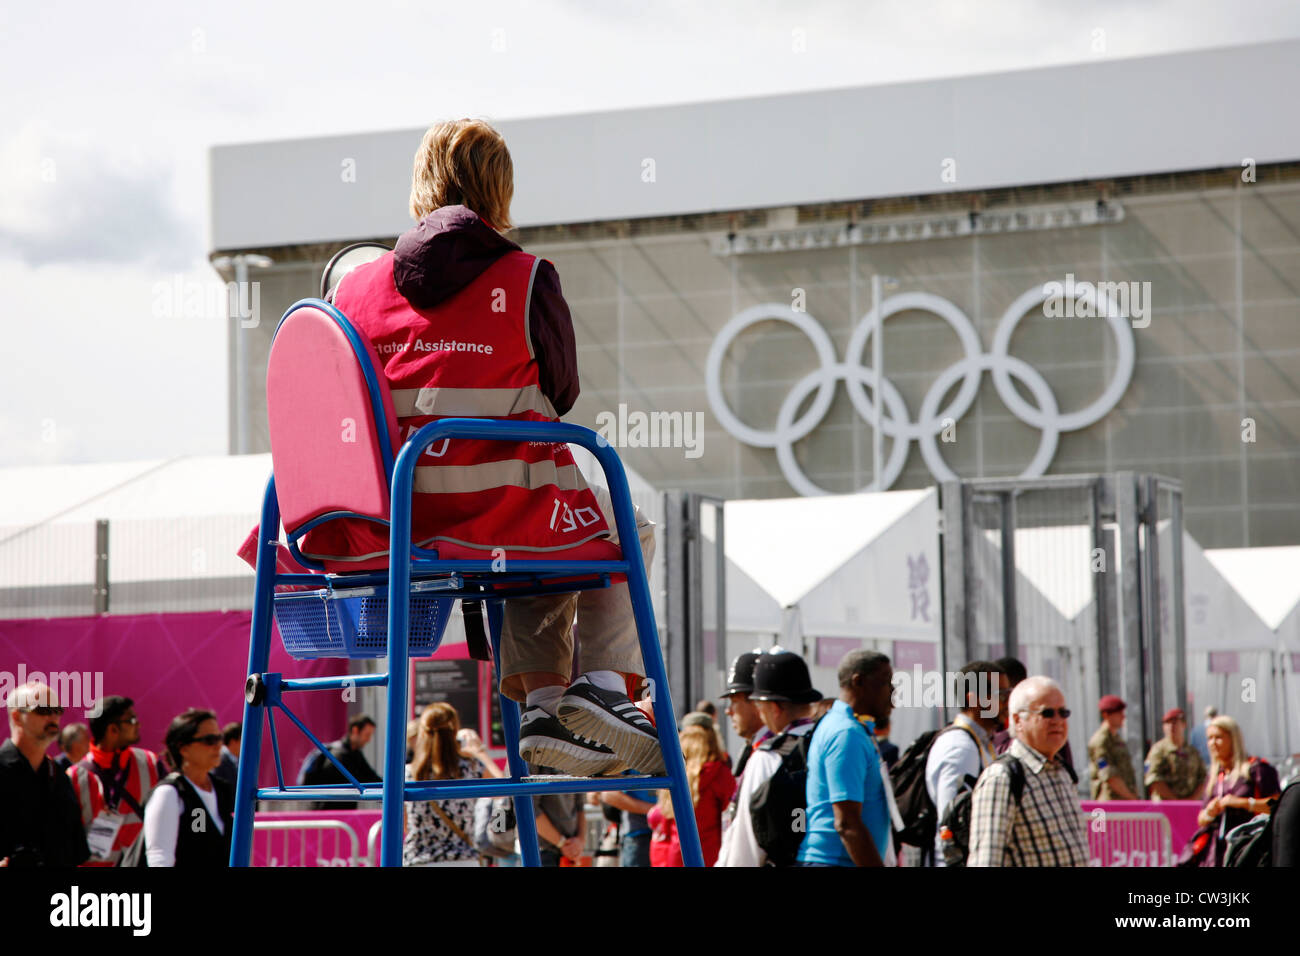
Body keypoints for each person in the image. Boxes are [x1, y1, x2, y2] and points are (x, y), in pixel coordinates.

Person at [320, 118, 662, 778]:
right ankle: (601, 686)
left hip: (393, 520)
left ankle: (545, 704)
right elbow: (562, 391)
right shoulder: (527, 278)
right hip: (500, 504)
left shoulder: (351, 290)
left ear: (420, 186)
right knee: (612, 525)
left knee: (541, 534)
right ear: (501, 191)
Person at [968, 676, 1090, 867]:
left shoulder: (1063, 772)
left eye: (1063, 713)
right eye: (1047, 713)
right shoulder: (1001, 778)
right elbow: (986, 860)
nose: (1058, 721)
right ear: (1018, 720)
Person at [718, 651, 821, 867]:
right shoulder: (831, 743)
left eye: (736, 700)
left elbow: (745, 846)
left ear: (773, 707)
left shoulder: (768, 757)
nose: (728, 711)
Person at [798, 650, 893, 867]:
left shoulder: (846, 726)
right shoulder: (846, 733)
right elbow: (847, 824)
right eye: (886, 682)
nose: (893, 691)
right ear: (858, 682)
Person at [924, 660, 1007, 866]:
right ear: (974, 700)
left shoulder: (979, 742)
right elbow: (951, 827)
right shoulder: (960, 748)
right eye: (1001, 695)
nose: (1008, 702)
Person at [403, 703, 505, 867]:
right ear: (454, 731)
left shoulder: (408, 774)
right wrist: (479, 752)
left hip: (419, 858)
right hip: (463, 859)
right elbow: (503, 791)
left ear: (423, 733)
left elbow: (404, 824)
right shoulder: (471, 768)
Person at [0, 681, 89, 867]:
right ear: (17, 717)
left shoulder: (58, 776)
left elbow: (75, 850)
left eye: (57, 710)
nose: (53, 717)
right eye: (43, 710)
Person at [67, 695, 161, 866]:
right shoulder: (74, 777)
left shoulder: (151, 763)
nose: (138, 724)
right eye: (131, 720)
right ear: (113, 730)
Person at [142, 709, 233, 867]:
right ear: (183, 748)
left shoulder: (222, 789)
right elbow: (159, 857)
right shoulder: (169, 793)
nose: (218, 745)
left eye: (219, 738)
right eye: (209, 740)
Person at [1193, 714, 1280, 867]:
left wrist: (1243, 803)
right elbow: (1201, 819)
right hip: (1217, 853)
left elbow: (1277, 805)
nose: (1213, 743)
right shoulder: (1215, 775)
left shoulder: (1256, 769)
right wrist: (1210, 812)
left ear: (1233, 739)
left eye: (1218, 737)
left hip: (1250, 847)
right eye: (1209, 738)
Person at [647, 723, 735, 867]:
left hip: (676, 856)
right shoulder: (719, 774)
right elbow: (732, 816)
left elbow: (665, 827)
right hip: (710, 857)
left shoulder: (674, 778)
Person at [299, 713, 382, 810]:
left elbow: (371, 777)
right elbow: (365, 780)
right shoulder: (339, 755)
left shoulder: (355, 754)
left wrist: (388, 787)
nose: (368, 740)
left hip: (341, 812)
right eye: (367, 735)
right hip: (328, 813)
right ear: (355, 730)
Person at [1144, 707, 1207, 801]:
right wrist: (1175, 801)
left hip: (1190, 804)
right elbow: (1152, 778)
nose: (1171, 727)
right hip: (1165, 804)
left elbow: (1203, 778)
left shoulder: (1192, 752)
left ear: (1184, 725)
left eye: (1175, 723)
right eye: (1167, 723)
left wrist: (1192, 800)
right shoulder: (1158, 750)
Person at [1088, 694, 1138, 800]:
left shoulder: (1117, 739)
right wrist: (1132, 798)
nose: (1123, 717)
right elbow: (1108, 773)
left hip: (1124, 800)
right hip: (1109, 803)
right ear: (1106, 715)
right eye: (1119, 713)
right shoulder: (1101, 741)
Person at [210, 721, 241, 788]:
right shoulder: (218, 760)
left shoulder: (239, 760)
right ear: (233, 742)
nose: (249, 745)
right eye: (243, 741)